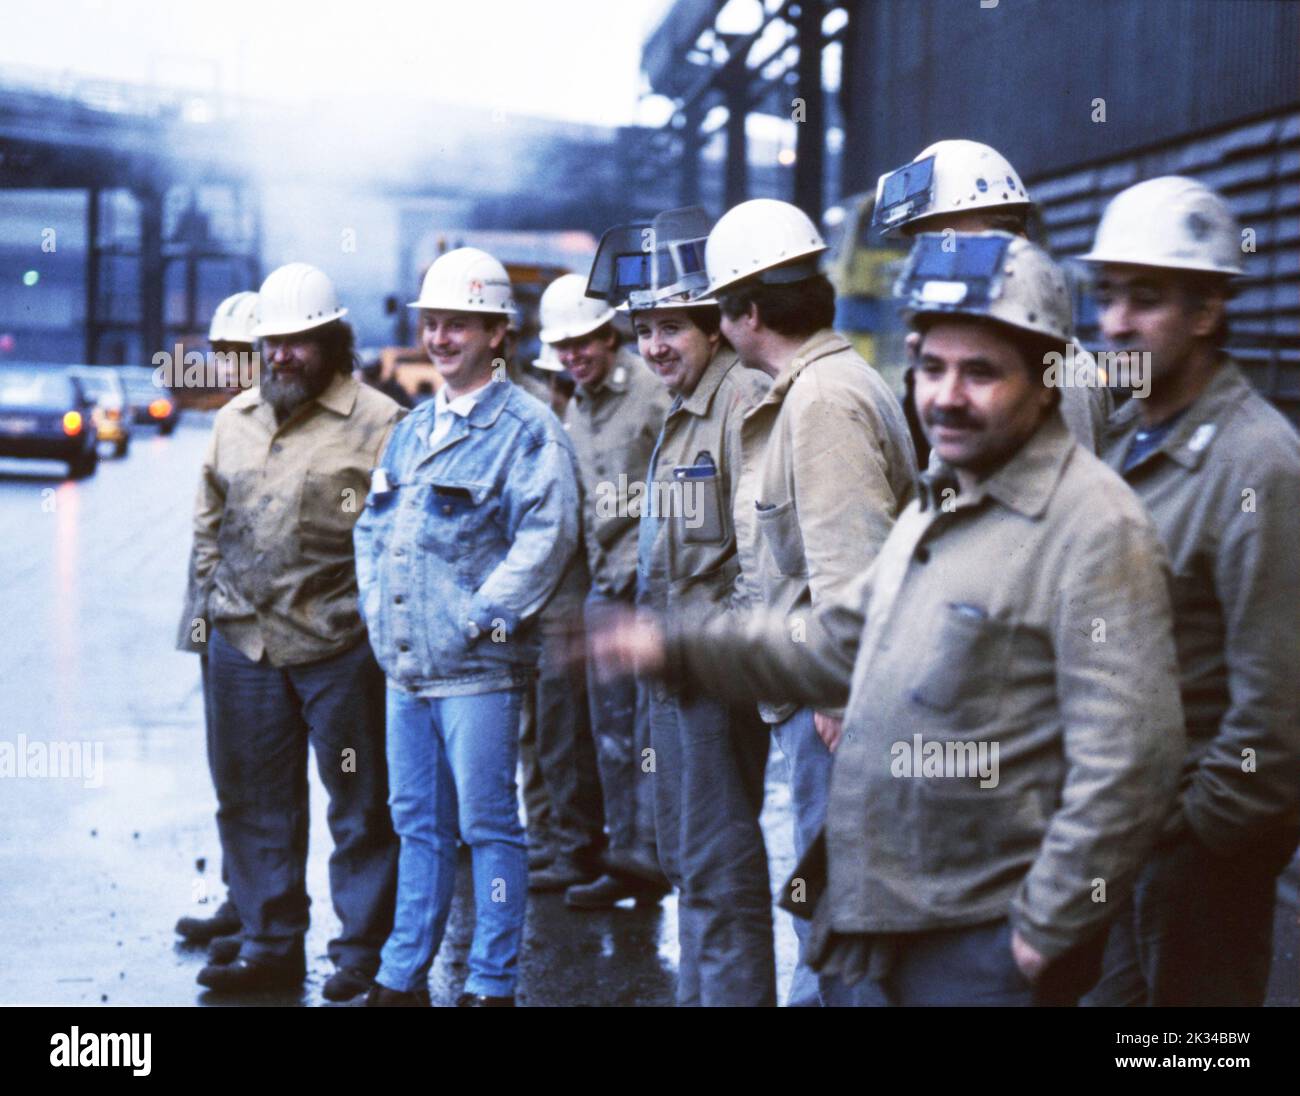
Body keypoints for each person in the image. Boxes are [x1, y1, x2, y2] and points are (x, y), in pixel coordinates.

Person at [592, 232, 1186, 1006]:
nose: (946, 395)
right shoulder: (946, 502)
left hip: (984, 937)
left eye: (981, 372)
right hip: (898, 916)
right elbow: (842, 641)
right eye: (933, 367)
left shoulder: (1095, 527)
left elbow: (1132, 761)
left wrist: (1045, 930)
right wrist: (673, 647)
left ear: (1046, 381)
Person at [1078, 176, 1300, 1006]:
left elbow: (1275, 710)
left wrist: (1195, 835)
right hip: (1124, 831)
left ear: (1208, 312)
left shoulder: (1258, 463)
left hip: (1197, 857)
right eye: (1107, 296)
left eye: (1146, 299)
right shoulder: (1131, 437)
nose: (1115, 324)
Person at [702, 197, 917, 1006]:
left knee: (835, 905)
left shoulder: (822, 401)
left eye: (721, 312)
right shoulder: (832, 380)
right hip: (822, 693)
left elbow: (848, 559)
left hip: (832, 702)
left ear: (748, 313)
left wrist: (834, 687)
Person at [354, 247, 580, 1007]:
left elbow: (545, 536)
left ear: (497, 335)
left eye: (460, 325)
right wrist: (380, 617)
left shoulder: (528, 431)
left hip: (479, 667)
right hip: (408, 667)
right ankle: (402, 972)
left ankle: (491, 982)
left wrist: (482, 616)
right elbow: (371, 531)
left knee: (489, 827)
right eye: (434, 324)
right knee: (416, 824)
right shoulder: (412, 430)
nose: (442, 338)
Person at [191, 264, 401, 1000]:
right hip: (242, 644)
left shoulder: (381, 423)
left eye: (298, 343)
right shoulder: (233, 420)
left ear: (332, 342)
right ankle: (269, 943)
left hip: (338, 648)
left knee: (360, 803)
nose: (281, 356)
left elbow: (400, 540)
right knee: (250, 800)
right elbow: (207, 526)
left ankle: (360, 954)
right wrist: (202, 624)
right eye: (271, 343)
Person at [582, 209, 772, 988]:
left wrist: (714, 659)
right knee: (690, 866)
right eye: (644, 329)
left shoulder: (740, 404)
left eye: (673, 328)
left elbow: (760, 559)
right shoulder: (684, 411)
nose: (654, 346)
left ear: (716, 328)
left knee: (720, 876)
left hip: (713, 679)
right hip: (678, 672)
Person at [528, 273, 673, 901]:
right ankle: (626, 859)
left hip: (647, 587)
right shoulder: (579, 406)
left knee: (646, 733)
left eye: (583, 343)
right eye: (562, 349)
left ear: (609, 334)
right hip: (604, 586)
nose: (572, 357)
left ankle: (647, 853)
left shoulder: (650, 394)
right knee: (609, 733)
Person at [872, 139, 1111, 458]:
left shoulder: (1056, 371)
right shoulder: (948, 361)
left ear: (1018, 244)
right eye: (928, 250)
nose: (940, 268)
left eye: (956, 246)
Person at [172, 290, 258, 955]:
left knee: (275, 776)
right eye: (226, 355)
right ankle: (244, 900)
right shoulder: (229, 420)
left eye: (244, 355)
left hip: (277, 630)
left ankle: (270, 919)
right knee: (232, 770)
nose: (232, 368)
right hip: (218, 620)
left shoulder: (287, 423)